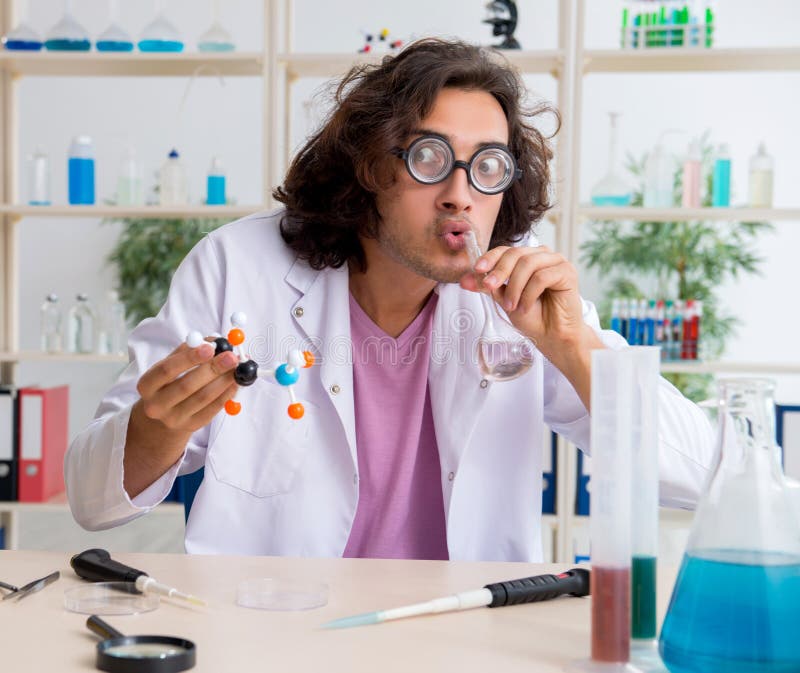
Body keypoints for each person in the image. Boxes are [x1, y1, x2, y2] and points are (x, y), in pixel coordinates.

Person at [65, 39, 713, 561]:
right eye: (432, 157)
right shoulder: (237, 267)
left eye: (488, 165)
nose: (461, 193)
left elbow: (702, 477)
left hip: (469, 635)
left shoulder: (525, 300)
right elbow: (93, 501)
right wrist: (161, 425)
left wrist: (576, 349)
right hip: (271, 636)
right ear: (373, 166)